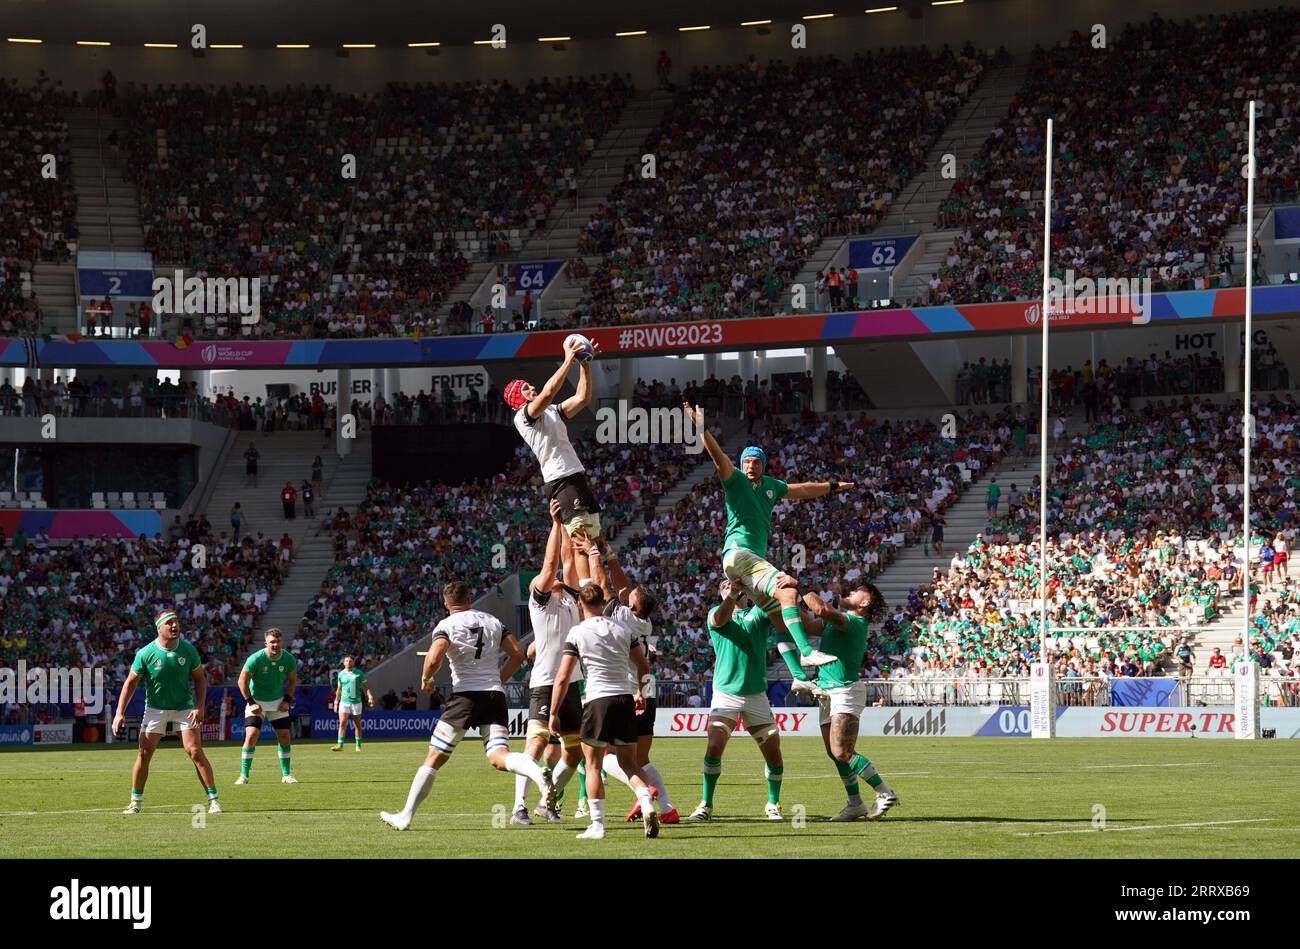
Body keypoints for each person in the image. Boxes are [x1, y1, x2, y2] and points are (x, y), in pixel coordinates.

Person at [380, 581, 553, 831]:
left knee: (434, 758)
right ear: (470, 598)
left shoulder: (447, 625)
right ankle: (537, 774)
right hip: (494, 696)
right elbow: (517, 653)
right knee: (498, 757)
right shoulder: (492, 621)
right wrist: (498, 679)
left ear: (446, 603)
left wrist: (426, 678)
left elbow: (435, 656)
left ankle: (405, 816)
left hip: (465, 696)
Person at [683, 402, 841, 667]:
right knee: (788, 590)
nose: (750, 465)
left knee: (777, 615)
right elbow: (717, 456)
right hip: (739, 553)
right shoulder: (735, 481)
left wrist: (833, 486)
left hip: (743, 564)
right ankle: (806, 651)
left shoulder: (771, 486)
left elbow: (802, 489)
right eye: (746, 461)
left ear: (763, 465)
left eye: (755, 461)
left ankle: (800, 679)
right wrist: (700, 427)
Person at [578, 532, 678, 825]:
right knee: (641, 759)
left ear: (632, 606)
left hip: (626, 694)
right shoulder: (643, 620)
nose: (627, 593)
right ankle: (668, 808)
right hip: (648, 692)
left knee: (608, 757)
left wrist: (593, 553)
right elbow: (622, 587)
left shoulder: (621, 617)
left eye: (631, 597)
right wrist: (610, 553)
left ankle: (642, 790)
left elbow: (604, 586)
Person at [548, 582, 658, 840]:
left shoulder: (577, 632)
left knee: (593, 765)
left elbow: (563, 677)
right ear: (601, 602)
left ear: (579, 604)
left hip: (598, 700)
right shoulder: (622, 629)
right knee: (629, 762)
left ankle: (597, 825)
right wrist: (641, 693)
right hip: (624, 699)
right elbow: (644, 665)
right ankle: (646, 801)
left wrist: (553, 712)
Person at [687, 580, 795, 822]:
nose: (729, 586)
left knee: (774, 754)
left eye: (733, 584)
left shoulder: (757, 613)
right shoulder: (716, 614)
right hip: (726, 693)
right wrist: (731, 596)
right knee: (714, 746)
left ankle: (773, 803)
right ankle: (706, 804)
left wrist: (770, 580)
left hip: (756, 695)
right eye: (724, 585)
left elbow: (773, 600)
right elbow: (720, 619)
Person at [505, 335, 603, 583]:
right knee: (581, 539)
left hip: (574, 475)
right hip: (561, 479)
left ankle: (596, 588)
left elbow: (582, 398)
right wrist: (568, 359)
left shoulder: (549, 411)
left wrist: (585, 363)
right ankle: (588, 592)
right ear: (519, 398)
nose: (532, 387)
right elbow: (548, 392)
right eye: (525, 388)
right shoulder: (523, 416)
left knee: (594, 536)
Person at [513, 502, 584, 825]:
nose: (553, 578)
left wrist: (569, 526)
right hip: (544, 682)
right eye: (545, 580)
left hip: (572, 683)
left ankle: (547, 800)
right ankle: (518, 807)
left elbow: (567, 560)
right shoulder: (539, 603)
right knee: (536, 745)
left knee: (575, 751)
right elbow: (552, 561)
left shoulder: (568, 597)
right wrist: (556, 523)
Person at [112, 609, 221, 815]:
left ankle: (213, 800)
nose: (174, 626)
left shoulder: (188, 650)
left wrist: (199, 707)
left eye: (176, 622)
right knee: (144, 754)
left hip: (184, 708)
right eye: (169, 623)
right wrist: (119, 713)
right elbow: (130, 684)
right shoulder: (145, 653)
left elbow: (200, 679)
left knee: (195, 752)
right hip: (155, 709)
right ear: (159, 628)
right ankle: (135, 802)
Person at [802, 587, 898, 822]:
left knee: (842, 751)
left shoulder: (854, 622)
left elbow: (821, 608)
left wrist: (800, 588)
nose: (850, 591)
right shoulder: (837, 622)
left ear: (863, 603)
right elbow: (808, 625)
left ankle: (885, 792)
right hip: (827, 691)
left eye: (856, 591)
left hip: (845, 690)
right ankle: (855, 804)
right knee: (834, 753)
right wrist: (785, 604)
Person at [234, 628, 298, 785]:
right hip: (257, 701)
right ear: (266, 643)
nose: (275, 645)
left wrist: (287, 700)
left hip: (277, 701)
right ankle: (244, 776)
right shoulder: (255, 659)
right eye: (272, 642)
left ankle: (286, 775)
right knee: (252, 735)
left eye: (278, 642)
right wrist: (251, 703)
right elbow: (241, 682)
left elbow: (292, 680)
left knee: (284, 736)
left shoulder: (289, 659)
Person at [332, 655, 375, 751]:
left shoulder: (359, 673)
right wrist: (336, 702)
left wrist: (370, 697)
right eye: (346, 661)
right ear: (343, 663)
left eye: (350, 661)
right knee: (342, 723)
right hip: (344, 702)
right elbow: (339, 690)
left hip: (356, 702)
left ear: (353, 663)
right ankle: (340, 745)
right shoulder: (341, 674)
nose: (348, 662)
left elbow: (366, 687)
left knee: (357, 724)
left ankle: (358, 745)